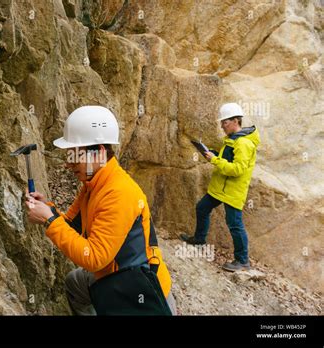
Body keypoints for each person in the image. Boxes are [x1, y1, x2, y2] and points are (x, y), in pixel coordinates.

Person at [25, 105, 176, 315]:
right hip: (114, 277)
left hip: (141, 292)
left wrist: (50, 221)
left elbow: (95, 258)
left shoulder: (119, 192)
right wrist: (47, 210)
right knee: (75, 283)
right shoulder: (93, 184)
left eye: (75, 156)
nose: (70, 164)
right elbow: (71, 226)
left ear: (100, 153)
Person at [181, 102, 261, 272]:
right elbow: (229, 159)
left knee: (234, 224)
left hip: (232, 191)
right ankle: (199, 240)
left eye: (224, 122)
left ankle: (242, 260)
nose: (222, 125)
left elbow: (237, 169)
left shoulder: (243, 144)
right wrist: (212, 153)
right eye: (222, 122)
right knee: (202, 208)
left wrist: (214, 160)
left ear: (235, 121)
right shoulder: (233, 140)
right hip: (221, 189)